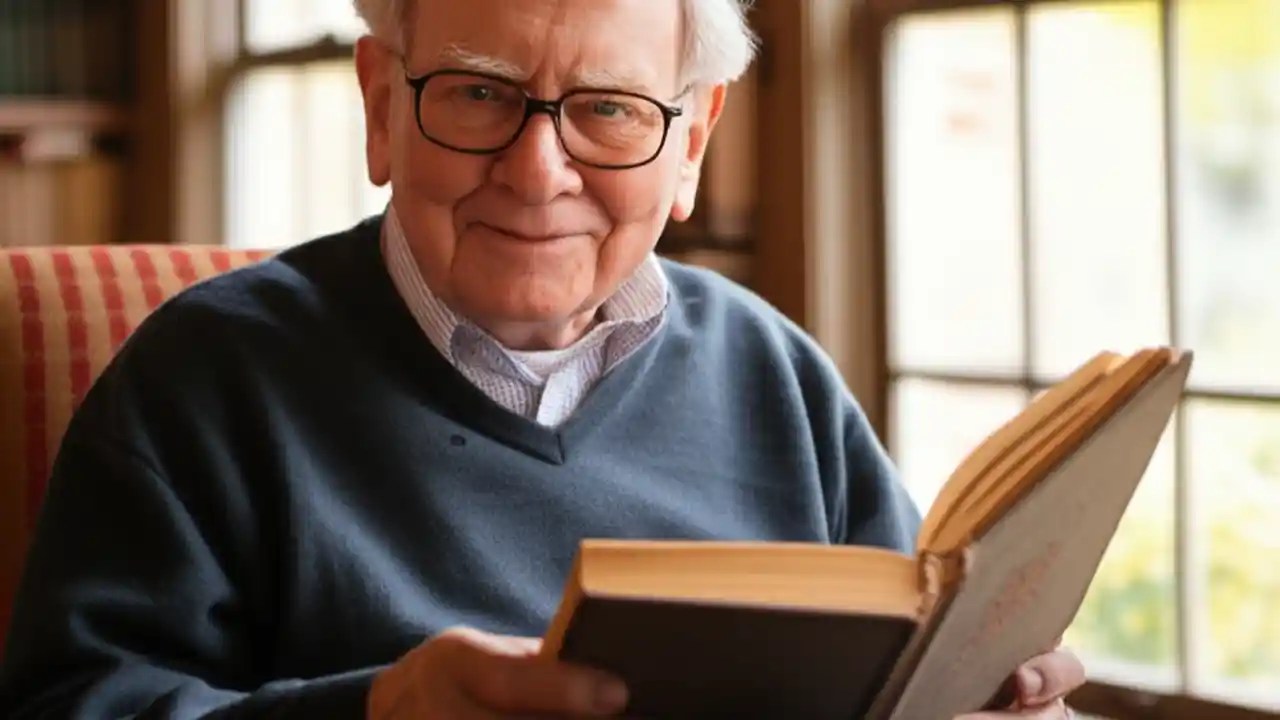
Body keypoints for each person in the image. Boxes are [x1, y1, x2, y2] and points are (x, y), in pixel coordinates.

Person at [0, 0, 1085, 717]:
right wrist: (374, 713)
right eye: (478, 93)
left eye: (608, 111)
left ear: (691, 141)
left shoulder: (774, 371)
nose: (535, 171)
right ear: (381, 105)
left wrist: (983, 697)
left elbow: (896, 663)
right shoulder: (203, 376)